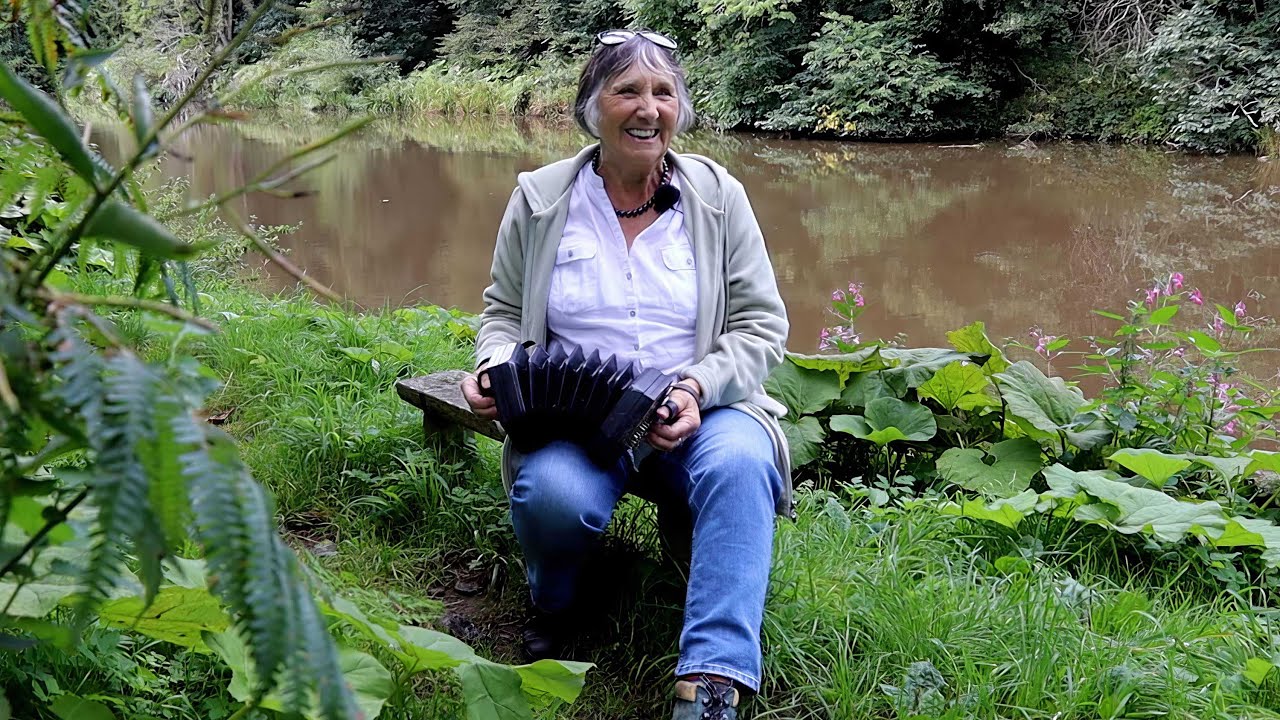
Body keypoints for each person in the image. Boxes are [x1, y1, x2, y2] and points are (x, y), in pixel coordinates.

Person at [460, 28, 791, 720]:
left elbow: (763, 326)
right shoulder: (542, 198)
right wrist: (493, 368)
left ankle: (712, 683)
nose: (648, 108)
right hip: (578, 422)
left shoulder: (718, 196)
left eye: (664, 92)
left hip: (700, 412)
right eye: (628, 91)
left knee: (741, 463)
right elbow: (499, 313)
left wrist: (698, 387)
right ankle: (558, 601)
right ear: (591, 107)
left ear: (681, 110)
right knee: (553, 495)